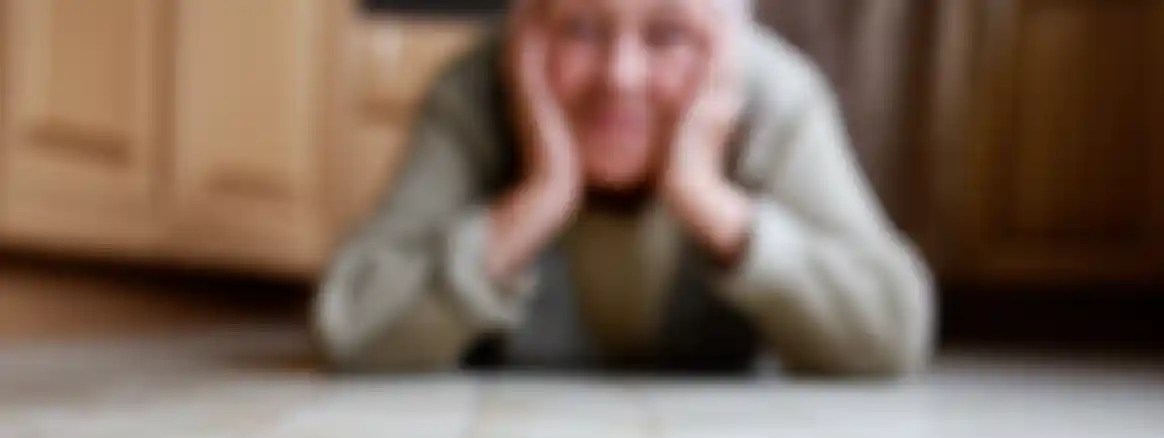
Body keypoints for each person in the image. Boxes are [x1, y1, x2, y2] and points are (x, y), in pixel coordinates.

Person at [314, 0, 935, 375]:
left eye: (667, 35)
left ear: (728, 47)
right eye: (582, 27)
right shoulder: (477, 92)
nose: (621, 76)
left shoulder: (771, 96)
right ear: (526, 31)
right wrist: (538, 200)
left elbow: (892, 334)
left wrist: (708, 202)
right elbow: (353, 329)